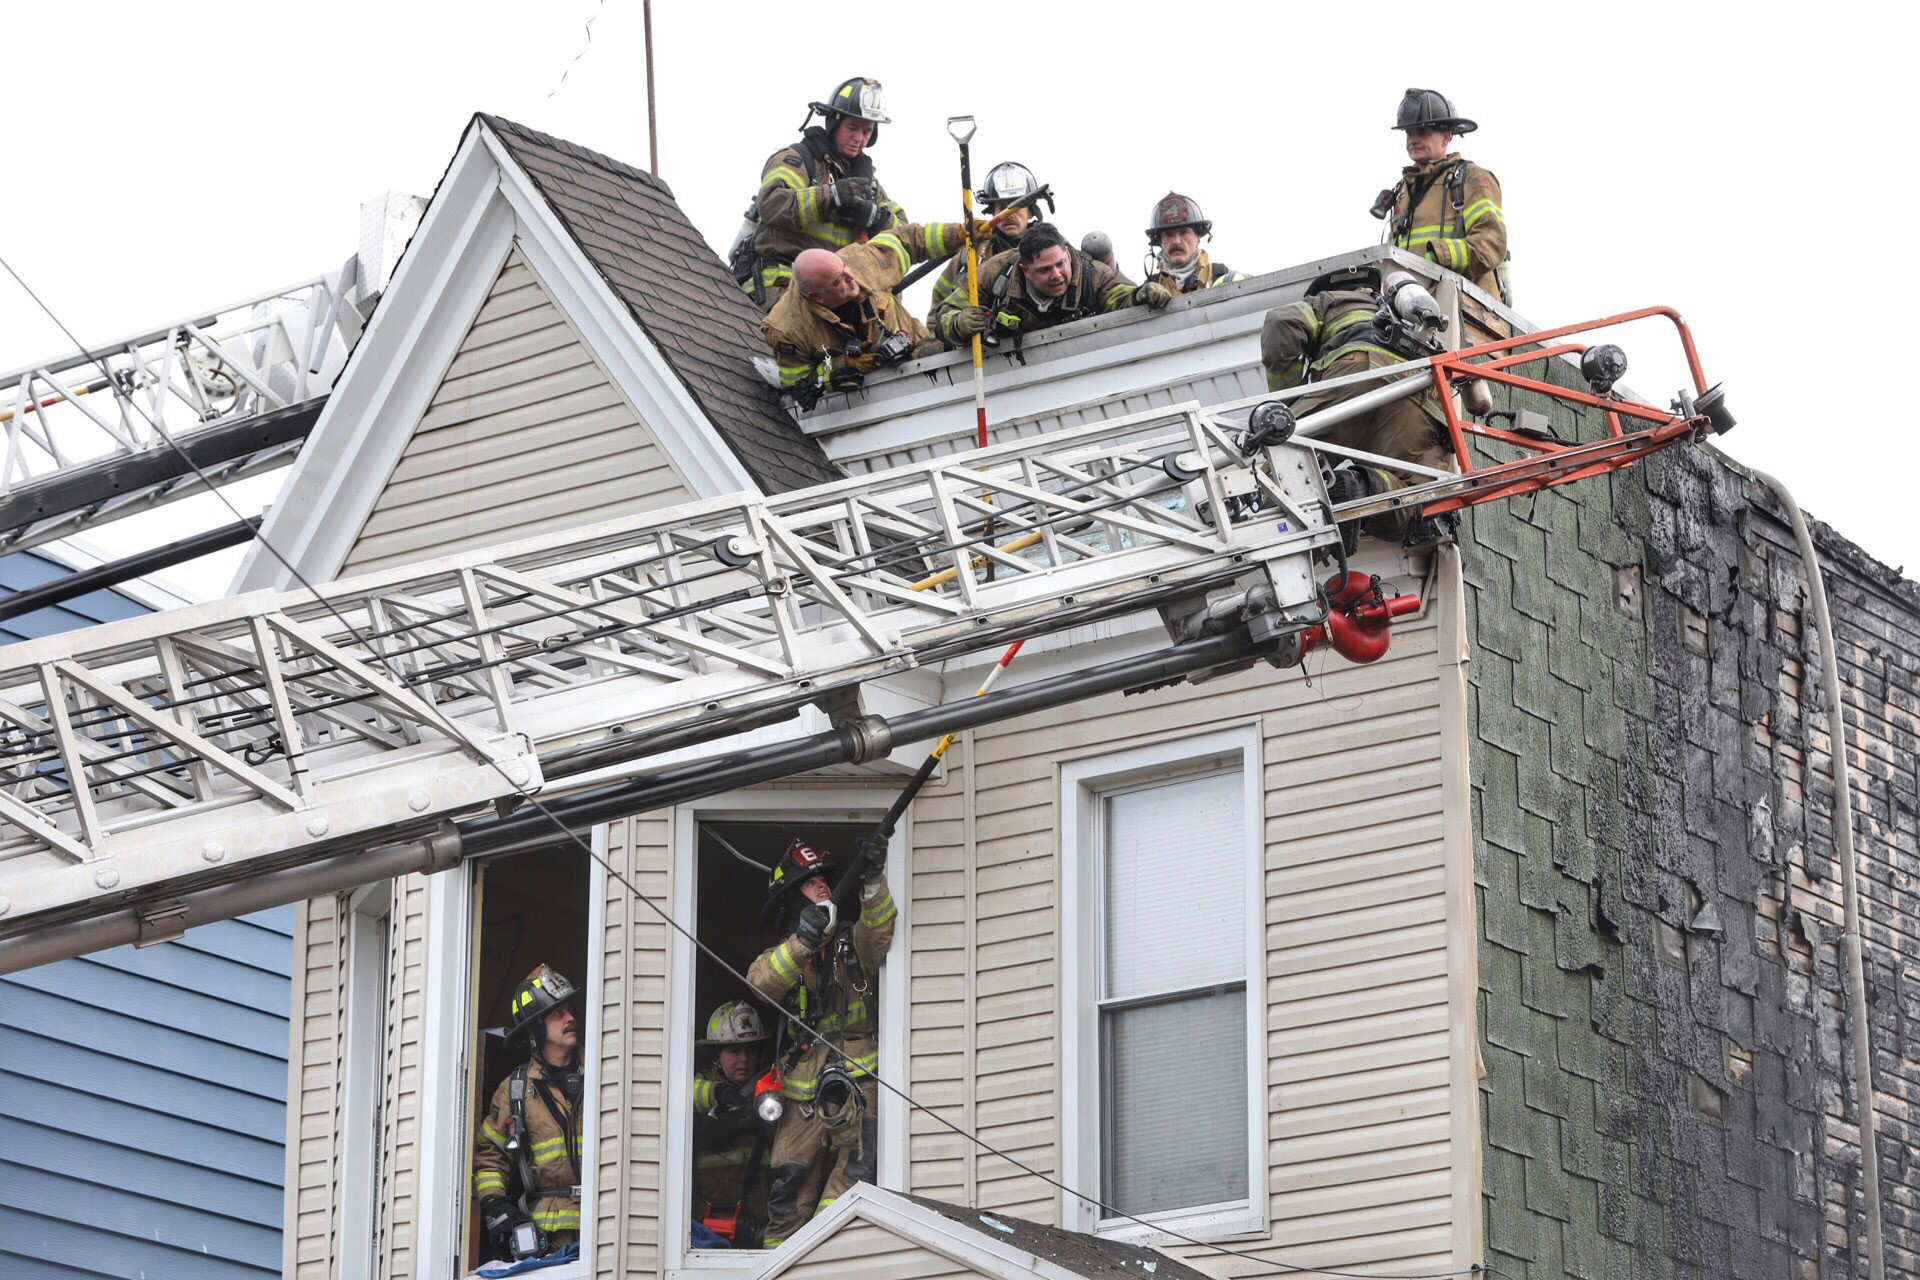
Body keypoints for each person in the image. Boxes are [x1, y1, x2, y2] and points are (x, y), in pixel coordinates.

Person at [746, 838, 896, 1248]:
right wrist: (804, 942)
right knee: (786, 1195)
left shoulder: (852, 945)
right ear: (792, 899)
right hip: (801, 1099)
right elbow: (759, 985)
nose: (822, 886)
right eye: (810, 883)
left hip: (857, 1086)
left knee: (854, 1185)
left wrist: (872, 879)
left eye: (824, 880)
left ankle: (830, 1262)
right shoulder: (784, 957)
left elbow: (880, 931)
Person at [1259, 265, 1457, 545]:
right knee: (1413, 500)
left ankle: (1271, 534)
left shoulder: (1331, 300)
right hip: (1421, 406)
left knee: (1285, 467)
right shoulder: (1414, 322)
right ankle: (1361, 489)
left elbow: (1281, 323)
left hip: (1357, 377)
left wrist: (1288, 403)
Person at [734, 77, 907, 311]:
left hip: (832, 295)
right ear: (834, 123)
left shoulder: (867, 184)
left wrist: (875, 218)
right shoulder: (798, 160)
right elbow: (772, 204)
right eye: (852, 128)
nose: (859, 138)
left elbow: (906, 233)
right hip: (784, 284)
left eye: (867, 131)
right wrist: (830, 198)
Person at [762, 221, 970, 407]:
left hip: (918, 347)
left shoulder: (861, 263)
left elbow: (910, 240)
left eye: (844, 269)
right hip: (863, 401)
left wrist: (960, 234)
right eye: (838, 280)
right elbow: (796, 385)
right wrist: (843, 365)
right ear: (817, 297)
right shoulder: (787, 330)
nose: (851, 277)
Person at [474, 964, 586, 1263]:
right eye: (557, 1014)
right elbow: (490, 1158)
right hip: (547, 1238)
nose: (570, 1018)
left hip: (604, 1224)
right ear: (537, 1028)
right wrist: (496, 1204)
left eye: (569, 1010)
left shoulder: (603, 1073)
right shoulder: (515, 1090)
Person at [934, 224, 1170, 349]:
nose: (1057, 275)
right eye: (1044, 270)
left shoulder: (1092, 273)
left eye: (1060, 264)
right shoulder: (994, 274)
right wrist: (958, 324)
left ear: (1067, 254)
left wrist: (1140, 295)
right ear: (1025, 271)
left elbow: (1118, 296)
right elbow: (944, 317)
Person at [1374, 88, 1509, 303]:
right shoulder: (1403, 191)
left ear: (1447, 136)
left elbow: (1491, 243)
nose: (1414, 139)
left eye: (1423, 132)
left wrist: (1436, 255)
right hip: (1415, 306)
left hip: (1467, 309)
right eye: (1409, 133)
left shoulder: (1472, 179)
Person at [691, 1000, 774, 1248]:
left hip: (759, 1225)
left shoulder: (772, 1092)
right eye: (734, 1052)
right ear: (717, 1056)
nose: (744, 1059)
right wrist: (728, 1103)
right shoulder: (697, 1091)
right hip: (707, 1229)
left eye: (750, 1051)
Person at [925, 161, 1045, 329]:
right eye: (1002, 208)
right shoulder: (970, 257)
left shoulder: (1052, 249)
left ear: (1030, 212)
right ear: (993, 212)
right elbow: (938, 313)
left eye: (1015, 208)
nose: (1009, 215)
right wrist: (951, 333)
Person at [1141, 192, 1242, 294]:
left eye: (1183, 232)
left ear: (1198, 237)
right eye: (1169, 234)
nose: (1176, 241)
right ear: (1160, 242)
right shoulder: (1149, 290)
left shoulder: (1223, 276)